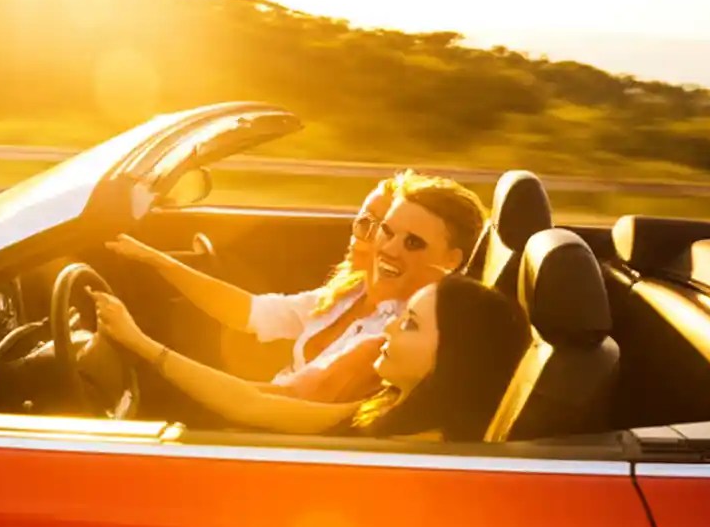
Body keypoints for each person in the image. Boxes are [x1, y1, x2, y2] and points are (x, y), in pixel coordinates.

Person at [107, 171, 487, 402]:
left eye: (413, 242)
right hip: (259, 411)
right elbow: (252, 312)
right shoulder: (353, 292)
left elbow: (283, 402)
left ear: (451, 259)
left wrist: (147, 349)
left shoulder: (397, 338)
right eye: (379, 228)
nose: (382, 245)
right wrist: (154, 260)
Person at [91, 272, 531, 440]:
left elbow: (252, 405)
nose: (392, 325)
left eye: (411, 323)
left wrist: (140, 345)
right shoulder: (391, 414)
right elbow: (253, 405)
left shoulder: (413, 450)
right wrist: (140, 343)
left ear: (451, 357)